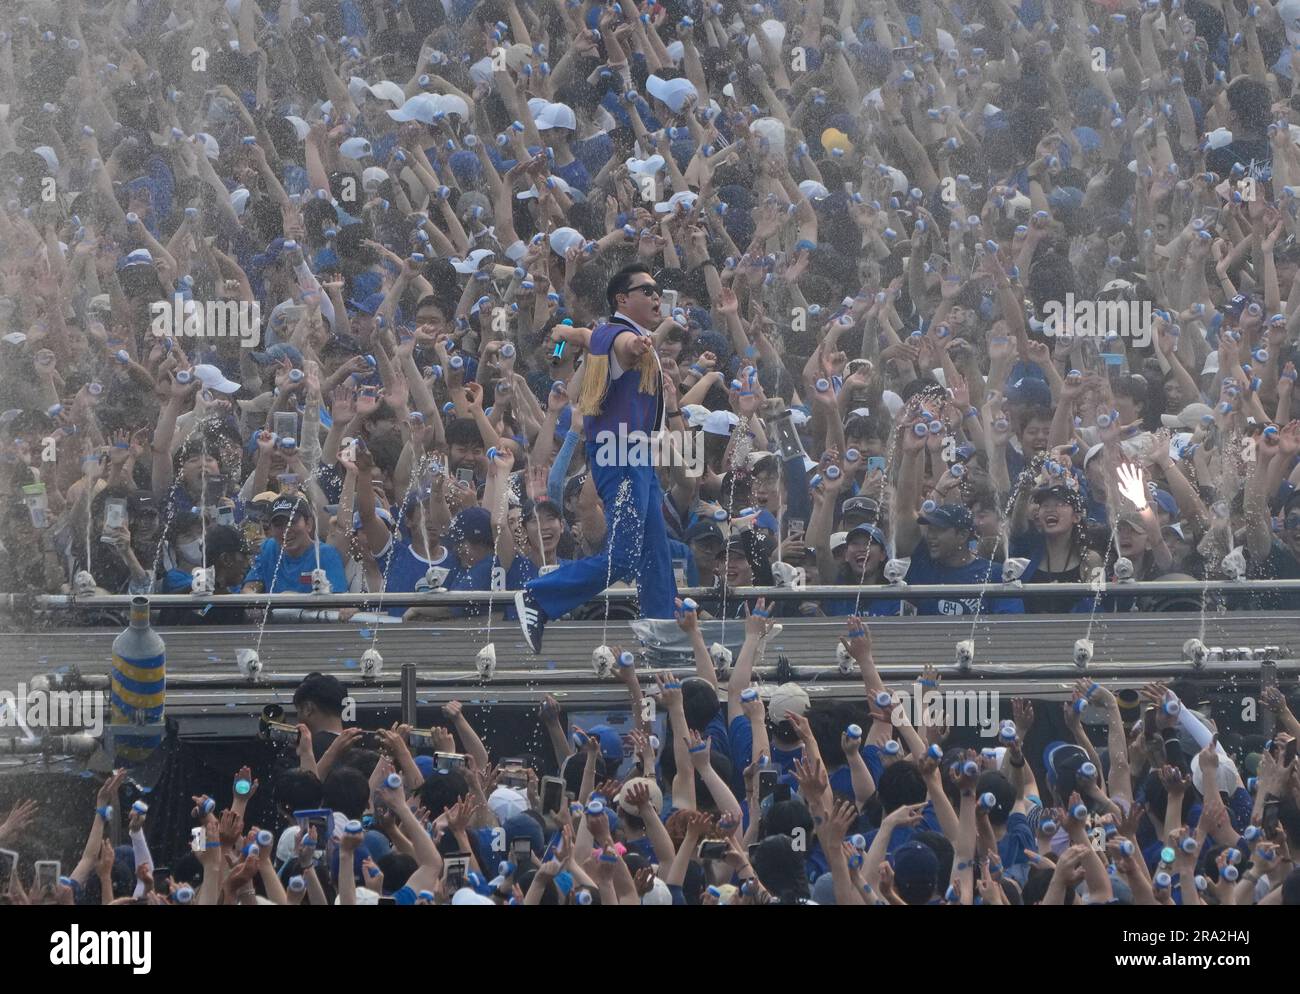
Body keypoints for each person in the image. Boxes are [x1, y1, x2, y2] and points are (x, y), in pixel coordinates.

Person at [515, 265, 678, 652]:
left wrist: (570, 333)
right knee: (622, 557)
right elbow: (612, 341)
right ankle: (539, 596)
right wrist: (627, 347)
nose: (656, 296)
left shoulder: (621, 334)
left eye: (658, 290)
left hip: (636, 457)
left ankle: (664, 633)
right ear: (622, 299)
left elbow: (591, 335)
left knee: (655, 553)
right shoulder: (619, 335)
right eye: (646, 290)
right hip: (621, 456)